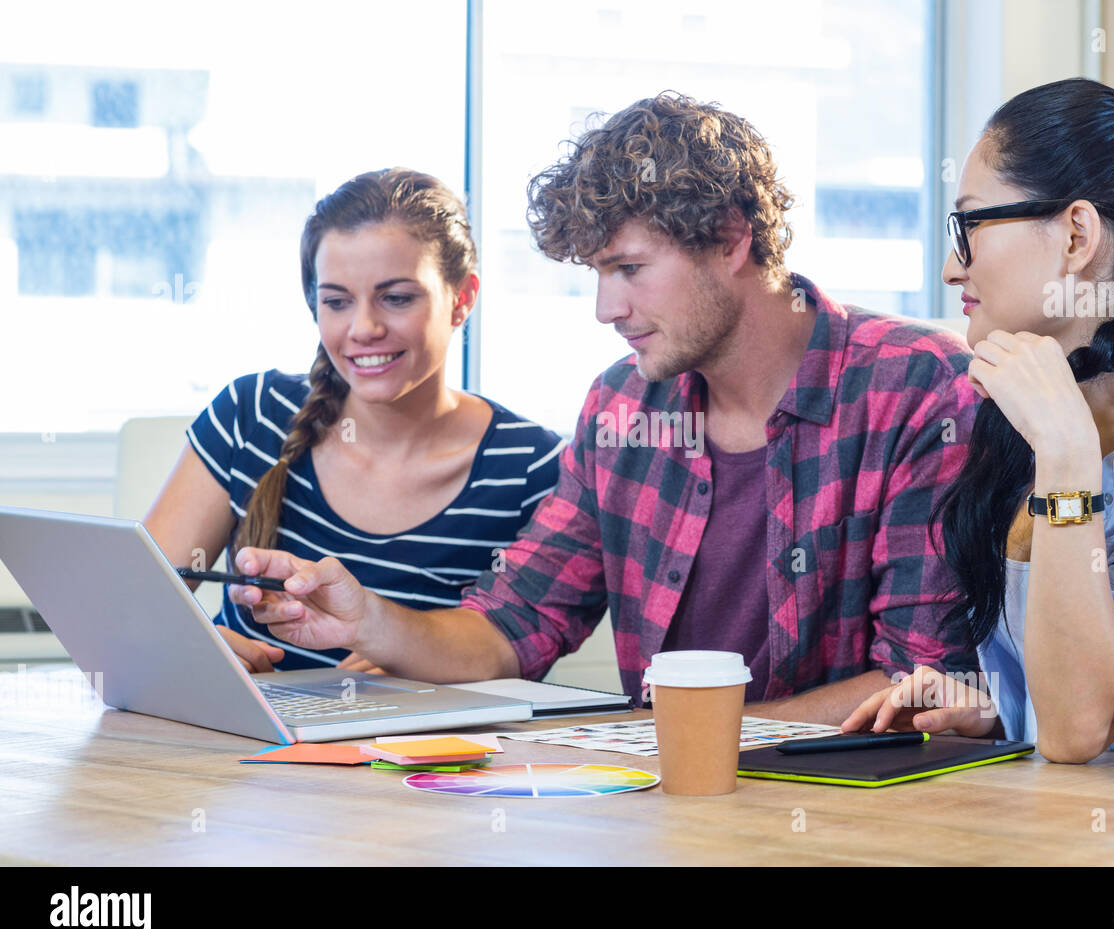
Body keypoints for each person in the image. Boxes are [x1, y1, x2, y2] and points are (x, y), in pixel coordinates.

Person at [226, 92, 981, 724]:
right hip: (661, 811)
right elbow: (513, 625)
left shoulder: (914, 387)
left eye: (628, 270)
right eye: (597, 273)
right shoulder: (623, 406)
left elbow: (917, 681)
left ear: (729, 240)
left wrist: (682, 739)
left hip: (851, 822)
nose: (605, 308)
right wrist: (371, 622)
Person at [842, 78, 1114, 764]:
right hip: (1054, 828)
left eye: (969, 226)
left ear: (1077, 234)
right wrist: (990, 711)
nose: (949, 268)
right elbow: (1057, 711)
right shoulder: (1029, 407)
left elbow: (1083, 726)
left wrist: (1065, 453)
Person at [144, 168, 562, 672]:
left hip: (419, 748)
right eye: (337, 302)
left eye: (397, 297)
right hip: (239, 740)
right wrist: (190, 651)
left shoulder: (532, 469)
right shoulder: (254, 412)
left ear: (462, 298)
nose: (364, 328)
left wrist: (417, 663)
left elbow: (517, 644)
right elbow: (133, 607)